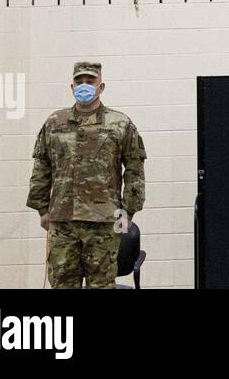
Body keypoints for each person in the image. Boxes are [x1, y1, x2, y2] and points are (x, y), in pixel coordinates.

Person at [27, 61, 147, 288]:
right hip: (63, 222)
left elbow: (134, 169)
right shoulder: (55, 123)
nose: (85, 86)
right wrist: (42, 208)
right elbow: (42, 166)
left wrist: (129, 211)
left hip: (103, 222)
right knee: (62, 284)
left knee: (101, 285)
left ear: (101, 87)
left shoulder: (120, 124)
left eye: (90, 81)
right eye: (79, 81)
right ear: (72, 87)